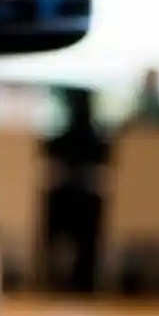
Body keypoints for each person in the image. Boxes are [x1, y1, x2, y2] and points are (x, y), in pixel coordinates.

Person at [44, 86, 109, 292]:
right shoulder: (101, 143)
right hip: (90, 207)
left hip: (63, 205)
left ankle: (49, 274)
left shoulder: (57, 142)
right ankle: (84, 278)